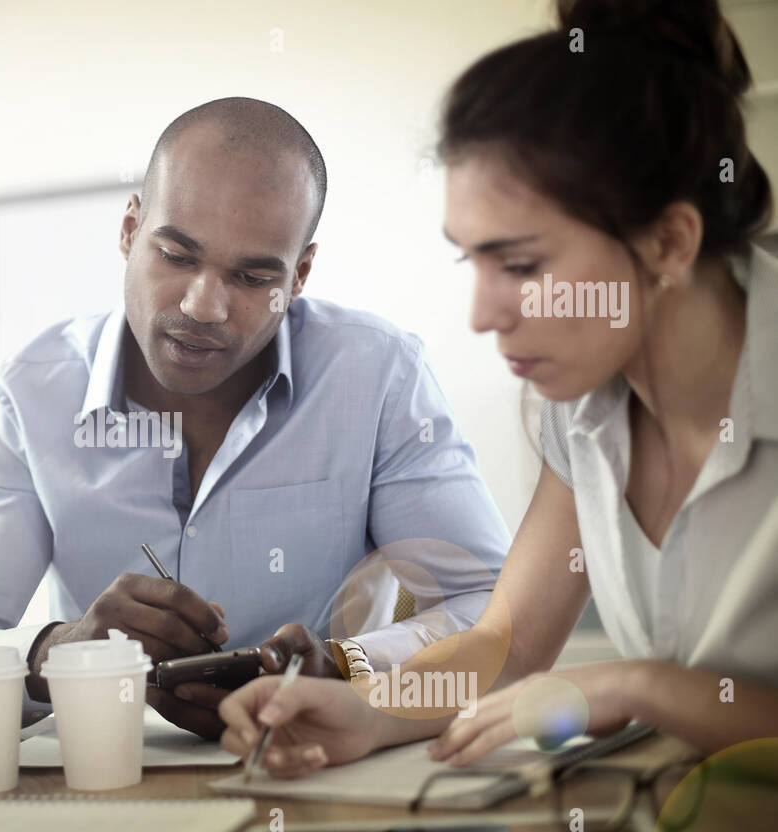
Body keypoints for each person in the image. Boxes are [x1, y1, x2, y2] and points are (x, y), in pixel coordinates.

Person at [219, 0, 778, 788]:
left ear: (668, 242)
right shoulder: (584, 410)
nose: (485, 315)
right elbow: (510, 646)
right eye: (472, 263)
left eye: (520, 266)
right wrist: (370, 710)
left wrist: (645, 687)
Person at [0, 98, 511, 744]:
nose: (202, 306)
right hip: (109, 810)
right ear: (130, 230)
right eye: (177, 256)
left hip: (318, 794)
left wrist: (352, 666)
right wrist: (57, 654)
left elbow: (493, 609)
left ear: (298, 276)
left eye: (250, 276)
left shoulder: (378, 377)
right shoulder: (34, 393)